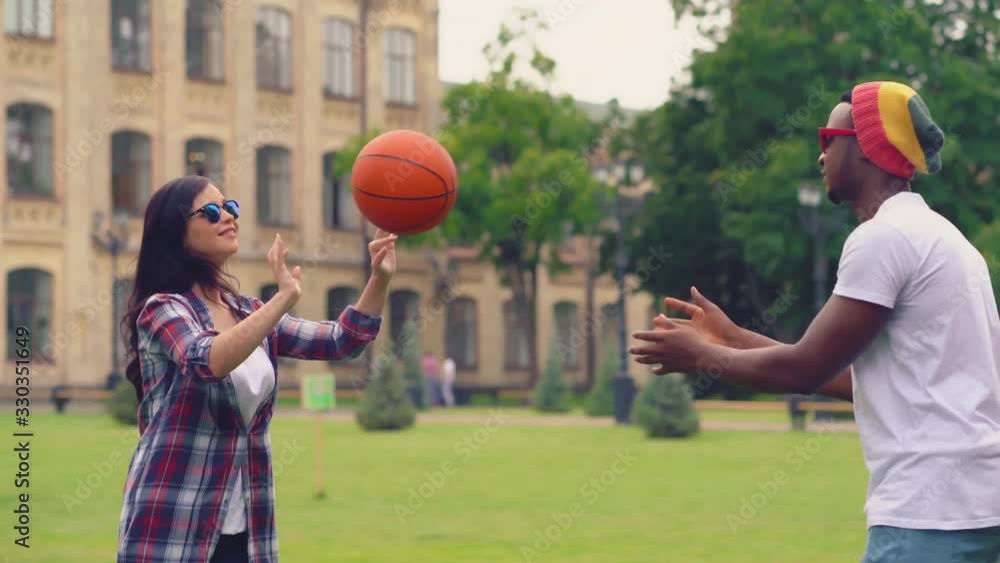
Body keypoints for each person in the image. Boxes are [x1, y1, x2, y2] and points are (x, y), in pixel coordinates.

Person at [629, 81, 1000, 562]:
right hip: (976, 508)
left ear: (867, 147)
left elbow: (802, 370)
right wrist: (734, 338)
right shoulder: (943, 238)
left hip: (926, 516)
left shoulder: (883, 239)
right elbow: (854, 379)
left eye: (829, 139)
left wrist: (702, 355)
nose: (820, 155)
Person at [116, 176, 396, 562]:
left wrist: (379, 277)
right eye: (211, 212)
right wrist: (281, 301)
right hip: (173, 521)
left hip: (247, 526)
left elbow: (342, 340)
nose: (228, 217)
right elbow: (207, 359)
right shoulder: (163, 308)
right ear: (178, 235)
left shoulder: (247, 311)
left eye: (230, 207)